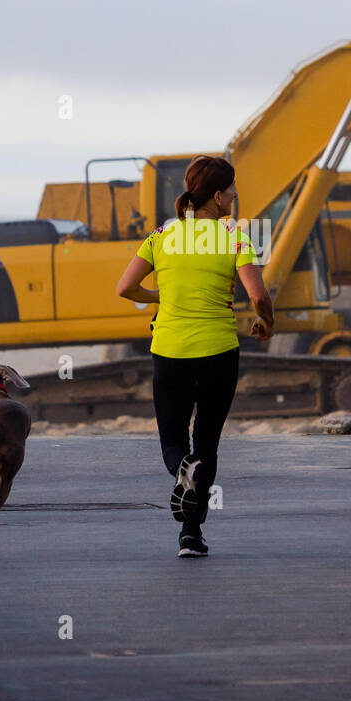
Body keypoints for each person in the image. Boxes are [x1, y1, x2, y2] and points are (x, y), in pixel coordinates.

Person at [115, 155, 274, 557]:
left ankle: (179, 470)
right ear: (218, 196)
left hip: (169, 351)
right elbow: (259, 296)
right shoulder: (236, 237)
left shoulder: (161, 237)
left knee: (174, 440)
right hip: (220, 351)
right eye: (233, 189)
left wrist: (160, 295)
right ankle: (191, 534)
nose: (237, 196)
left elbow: (124, 288)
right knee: (207, 441)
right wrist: (265, 322)